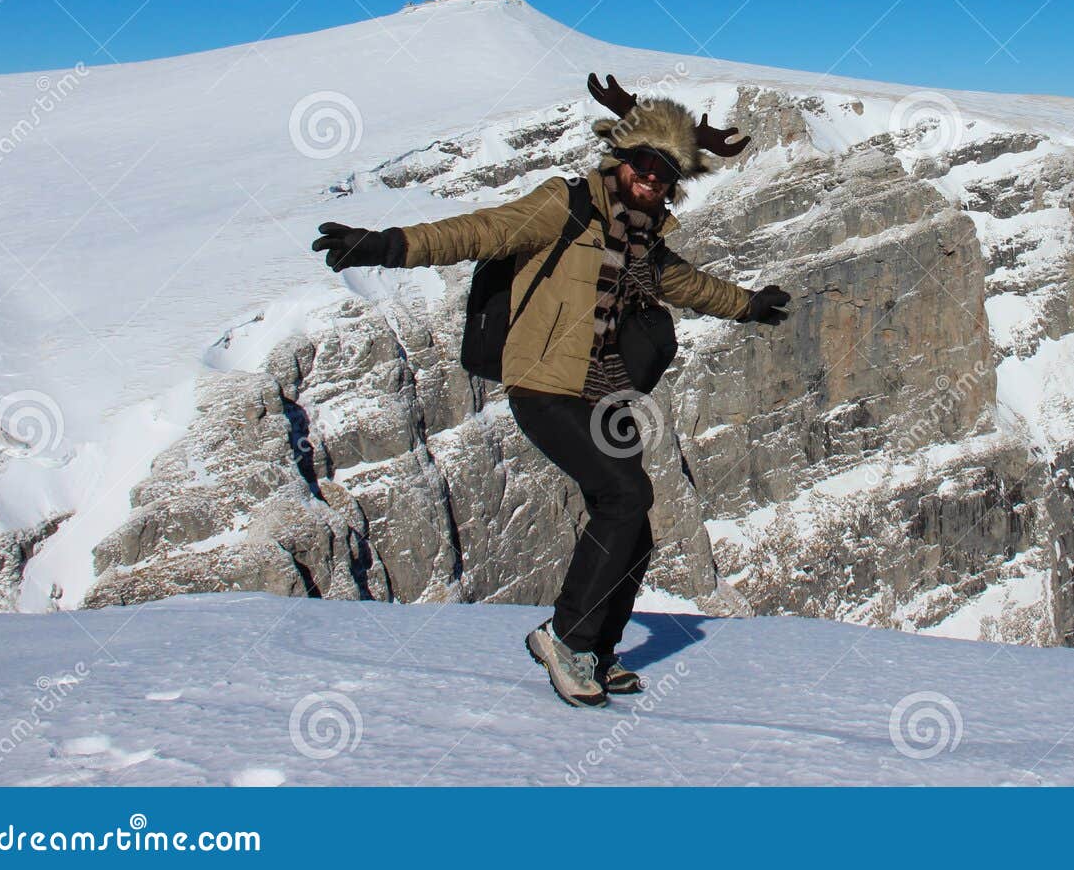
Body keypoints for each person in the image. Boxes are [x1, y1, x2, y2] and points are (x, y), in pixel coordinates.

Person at [311, 75, 790, 708]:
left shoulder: (646, 241)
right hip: (543, 385)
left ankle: (599, 650)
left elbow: (689, 284)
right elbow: (479, 231)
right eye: (644, 163)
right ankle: (566, 638)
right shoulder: (563, 206)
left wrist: (749, 305)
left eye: (666, 173)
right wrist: (385, 245)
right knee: (625, 495)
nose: (652, 179)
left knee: (635, 526)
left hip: (602, 396)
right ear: (620, 158)